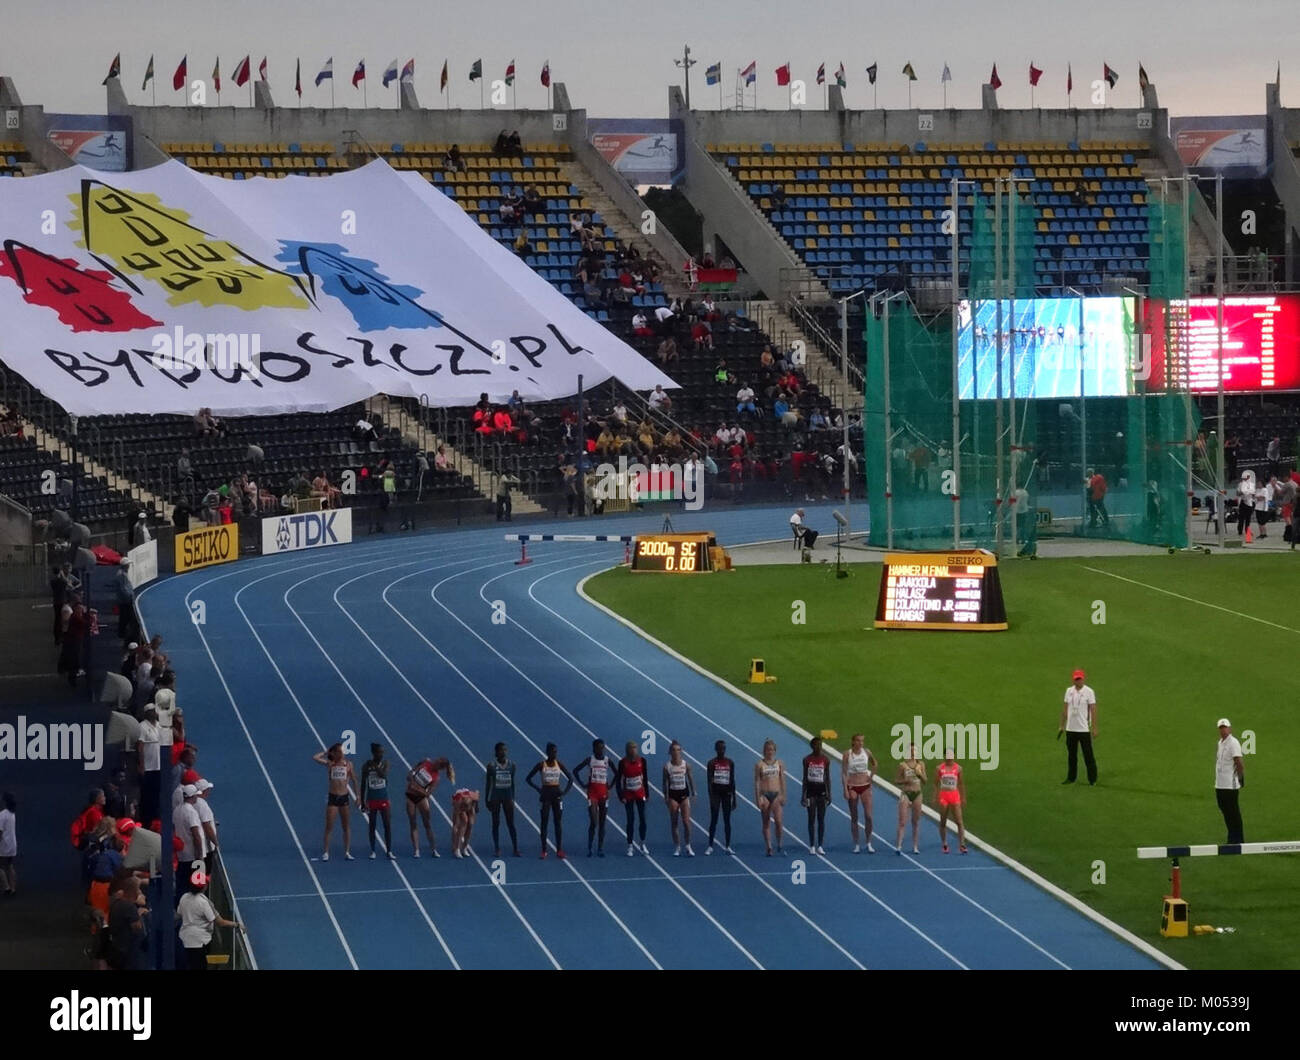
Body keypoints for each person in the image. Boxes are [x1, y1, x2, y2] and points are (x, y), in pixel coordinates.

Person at [176, 869, 242, 970]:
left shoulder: (184, 897)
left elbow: (179, 914)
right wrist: (236, 924)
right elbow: (220, 922)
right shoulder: (203, 903)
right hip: (200, 942)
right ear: (204, 887)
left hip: (185, 940)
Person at [312, 743, 360, 861]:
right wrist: (326, 752)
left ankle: (347, 852)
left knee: (346, 826)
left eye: (342, 751)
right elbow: (315, 758)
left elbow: (354, 780)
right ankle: (326, 852)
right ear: (335, 753)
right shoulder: (330, 764)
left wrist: (358, 796)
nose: (341, 753)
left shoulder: (348, 764)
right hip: (333, 798)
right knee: (329, 826)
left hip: (344, 797)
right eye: (339, 751)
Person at [525, 743, 573, 859]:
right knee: (544, 822)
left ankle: (559, 850)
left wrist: (564, 792)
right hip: (545, 795)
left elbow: (570, 779)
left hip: (556, 795)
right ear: (547, 752)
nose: (554, 754)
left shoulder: (559, 764)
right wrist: (538, 789)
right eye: (552, 752)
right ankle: (544, 850)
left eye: (556, 752)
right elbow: (528, 778)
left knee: (558, 822)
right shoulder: (541, 765)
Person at [572, 738, 617, 857]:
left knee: (602, 823)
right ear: (594, 748)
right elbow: (575, 770)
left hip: (604, 794)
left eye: (602, 747)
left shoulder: (607, 761)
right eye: (598, 747)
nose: (601, 750)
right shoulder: (590, 760)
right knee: (593, 821)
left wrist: (610, 786)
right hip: (592, 794)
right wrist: (582, 784)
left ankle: (600, 848)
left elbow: (617, 773)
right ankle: (590, 847)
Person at [405, 756, 453, 858]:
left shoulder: (436, 777)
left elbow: (428, 794)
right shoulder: (425, 763)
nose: (436, 762)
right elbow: (413, 770)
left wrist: (416, 788)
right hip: (410, 796)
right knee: (413, 823)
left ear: (441, 768)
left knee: (427, 824)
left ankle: (433, 849)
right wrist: (410, 774)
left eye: (439, 763)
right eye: (437, 760)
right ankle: (416, 850)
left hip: (421, 799)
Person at [1059, 668, 1098, 785]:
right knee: (1071, 755)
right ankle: (1071, 778)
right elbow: (1065, 709)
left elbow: (1093, 710)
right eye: (1076, 679)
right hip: (1070, 729)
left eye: (1080, 679)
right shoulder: (1069, 691)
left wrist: (1095, 728)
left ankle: (1092, 779)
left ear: (1083, 678)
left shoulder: (1089, 692)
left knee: (1088, 755)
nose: (1078, 681)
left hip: (1083, 729)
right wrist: (1061, 725)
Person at [842, 734, 878, 854]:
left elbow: (875, 764)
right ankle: (856, 844)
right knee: (854, 817)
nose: (861, 743)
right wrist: (845, 789)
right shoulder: (847, 754)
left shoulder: (866, 752)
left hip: (865, 786)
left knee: (869, 816)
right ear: (853, 741)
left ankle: (868, 842)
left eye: (862, 741)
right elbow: (843, 772)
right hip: (852, 786)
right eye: (858, 741)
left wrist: (871, 777)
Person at [484, 743, 521, 858]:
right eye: (500, 750)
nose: (503, 752)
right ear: (496, 752)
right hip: (495, 797)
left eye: (505, 750)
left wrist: (513, 798)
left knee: (511, 823)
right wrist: (487, 799)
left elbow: (513, 783)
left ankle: (515, 848)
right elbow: (488, 784)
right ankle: (497, 848)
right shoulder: (491, 766)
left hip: (508, 797)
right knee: (496, 823)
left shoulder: (512, 765)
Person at [360, 743, 395, 860]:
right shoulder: (366, 766)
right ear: (374, 753)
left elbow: (383, 775)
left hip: (383, 798)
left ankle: (389, 851)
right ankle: (373, 850)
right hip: (371, 799)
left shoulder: (385, 763)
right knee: (372, 825)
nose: (381, 754)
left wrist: (374, 765)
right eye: (379, 752)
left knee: (387, 825)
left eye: (382, 752)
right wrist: (362, 801)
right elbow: (363, 784)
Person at [615, 740, 649, 855]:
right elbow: (618, 780)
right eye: (631, 748)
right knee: (630, 820)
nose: (633, 750)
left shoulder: (642, 761)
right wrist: (621, 796)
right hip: (628, 794)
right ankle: (630, 845)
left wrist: (647, 794)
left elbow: (645, 778)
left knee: (643, 819)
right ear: (627, 750)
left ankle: (642, 842)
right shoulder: (622, 763)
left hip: (640, 793)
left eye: (635, 747)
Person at [662, 741, 696, 857]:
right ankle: (677, 846)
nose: (676, 752)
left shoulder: (686, 765)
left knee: (686, 822)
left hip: (684, 795)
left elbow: (690, 779)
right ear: (670, 752)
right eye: (674, 750)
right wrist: (665, 796)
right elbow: (665, 783)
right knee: (674, 822)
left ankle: (688, 845)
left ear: (681, 751)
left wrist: (693, 792)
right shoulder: (667, 767)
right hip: (673, 795)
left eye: (678, 750)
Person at [1215, 718, 1245, 845]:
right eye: (1221, 728)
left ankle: (1238, 839)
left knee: (1233, 811)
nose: (1223, 730)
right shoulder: (1220, 743)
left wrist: (1241, 777)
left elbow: (1239, 762)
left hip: (1230, 785)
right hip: (1220, 784)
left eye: (1225, 727)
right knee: (1224, 809)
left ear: (1230, 728)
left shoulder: (1234, 743)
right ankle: (1231, 837)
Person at [754, 739, 787, 856]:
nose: (770, 752)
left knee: (778, 821)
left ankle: (779, 843)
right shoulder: (759, 765)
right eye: (768, 750)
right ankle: (769, 846)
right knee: (766, 821)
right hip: (765, 795)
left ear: (775, 751)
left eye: (772, 750)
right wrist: (758, 798)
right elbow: (757, 782)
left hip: (776, 794)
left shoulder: (780, 763)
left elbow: (782, 779)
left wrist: (783, 794)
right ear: (764, 751)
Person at [704, 740, 737, 855]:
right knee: (714, 820)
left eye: (723, 748)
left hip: (727, 794)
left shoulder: (730, 763)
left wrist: (735, 799)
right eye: (720, 748)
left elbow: (732, 780)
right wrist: (711, 797)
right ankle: (710, 845)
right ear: (716, 749)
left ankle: (728, 845)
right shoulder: (711, 763)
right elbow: (709, 781)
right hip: (716, 795)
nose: (722, 750)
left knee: (727, 820)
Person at [801, 736, 832, 854]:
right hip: (810, 791)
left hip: (822, 791)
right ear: (812, 746)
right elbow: (804, 778)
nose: (819, 747)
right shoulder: (807, 760)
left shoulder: (826, 760)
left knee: (821, 819)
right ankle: (812, 845)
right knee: (811, 818)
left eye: (821, 745)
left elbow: (828, 778)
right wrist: (803, 795)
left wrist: (829, 794)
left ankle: (820, 845)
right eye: (817, 745)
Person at [894, 745, 927, 855]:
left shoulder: (921, 764)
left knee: (916, 821)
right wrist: (905, 781)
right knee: (902, 821)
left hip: (917, 794)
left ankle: (915, 846)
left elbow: (925, 781)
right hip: (906, 794)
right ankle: (898, 845)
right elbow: (896, 780)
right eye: (911, 751)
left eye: (915, 751)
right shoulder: (902, 765)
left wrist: (920, 774)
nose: (913, 753)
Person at [934, 748, 968, 854]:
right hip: (944, 796)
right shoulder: (939, 768)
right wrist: (934, 797)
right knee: (943, 821)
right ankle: (944, 844)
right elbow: (935, 783)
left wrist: (963, 797)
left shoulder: (958, 769)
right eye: (947, 755)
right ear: (944, 755)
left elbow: (961, 783)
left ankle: (962, 844)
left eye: (951, 754)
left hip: (954, 796)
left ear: (954, 755)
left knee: (959, 821)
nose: (949, 757)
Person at [450, 789, 480, 858]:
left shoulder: (474, 798)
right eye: (464, 808)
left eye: (466, 808)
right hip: (458, 800)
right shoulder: (458, 802)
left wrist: (475, 808)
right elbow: (456, 825)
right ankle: (456, 848)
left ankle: (464, 847)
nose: (465, 809)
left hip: (469, 803)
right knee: (460, 824)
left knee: (470, 825)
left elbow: (477, 808)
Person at [0, 793, 16, 897]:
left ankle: (6, 887)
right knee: (10, 866)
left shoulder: (2, 815)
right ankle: (13, 888)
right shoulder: (12, 814)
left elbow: (0, 832)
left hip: (4, 845)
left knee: (0, 866)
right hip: (12, 845)